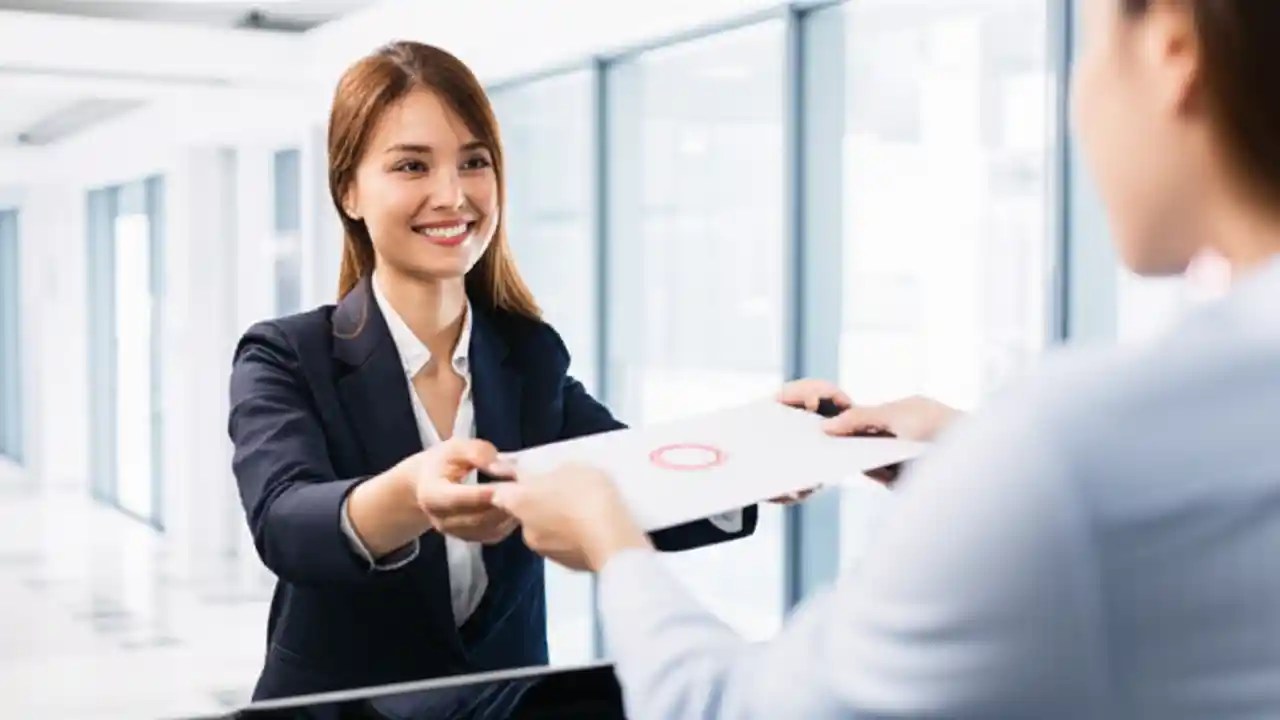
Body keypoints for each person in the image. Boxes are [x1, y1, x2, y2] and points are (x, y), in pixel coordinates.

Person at [491, 0, 1280, 717]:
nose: (1081, 104)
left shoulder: (1070, 446)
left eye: (1092, 46)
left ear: (1174, 52)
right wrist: (977, 458)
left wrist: (609, 545)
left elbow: (729, 707)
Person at [226, 41, 760, 701]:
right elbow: (286, 523)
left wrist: (772, 447)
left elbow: (627, 479)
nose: (452, 195)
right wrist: (413, 493)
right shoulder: (284, 355)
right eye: (412, 166)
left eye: (473, 162)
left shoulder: (528, 356)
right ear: (350, 192)